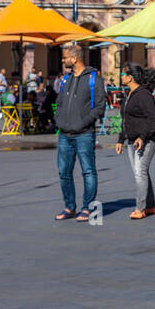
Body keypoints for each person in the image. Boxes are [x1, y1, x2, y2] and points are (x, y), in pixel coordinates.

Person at [53, 43, 107, 222]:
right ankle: (69, 207)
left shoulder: (94, 78)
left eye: (65, 57)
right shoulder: (65, 79)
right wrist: (59, 120)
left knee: (88, 171)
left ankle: (88, 208)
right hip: (64, 134)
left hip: (84, 133)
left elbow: (100, 106)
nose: (63, 60)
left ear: (74, 58)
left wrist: (83, 122)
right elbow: (59, 103)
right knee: (64, 172)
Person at [116, 63, 155, 220]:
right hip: (132, 139)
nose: (120, 77)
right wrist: (121, 139)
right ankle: (150, 206)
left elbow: (152, 118)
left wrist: (142, 137)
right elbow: (126, 119)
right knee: (140, 172)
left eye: (122, 74)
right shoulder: (130, 94)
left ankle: (140, 208)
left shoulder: (144, 95)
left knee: (140, 171)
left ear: (130, 77)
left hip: (147, 139)